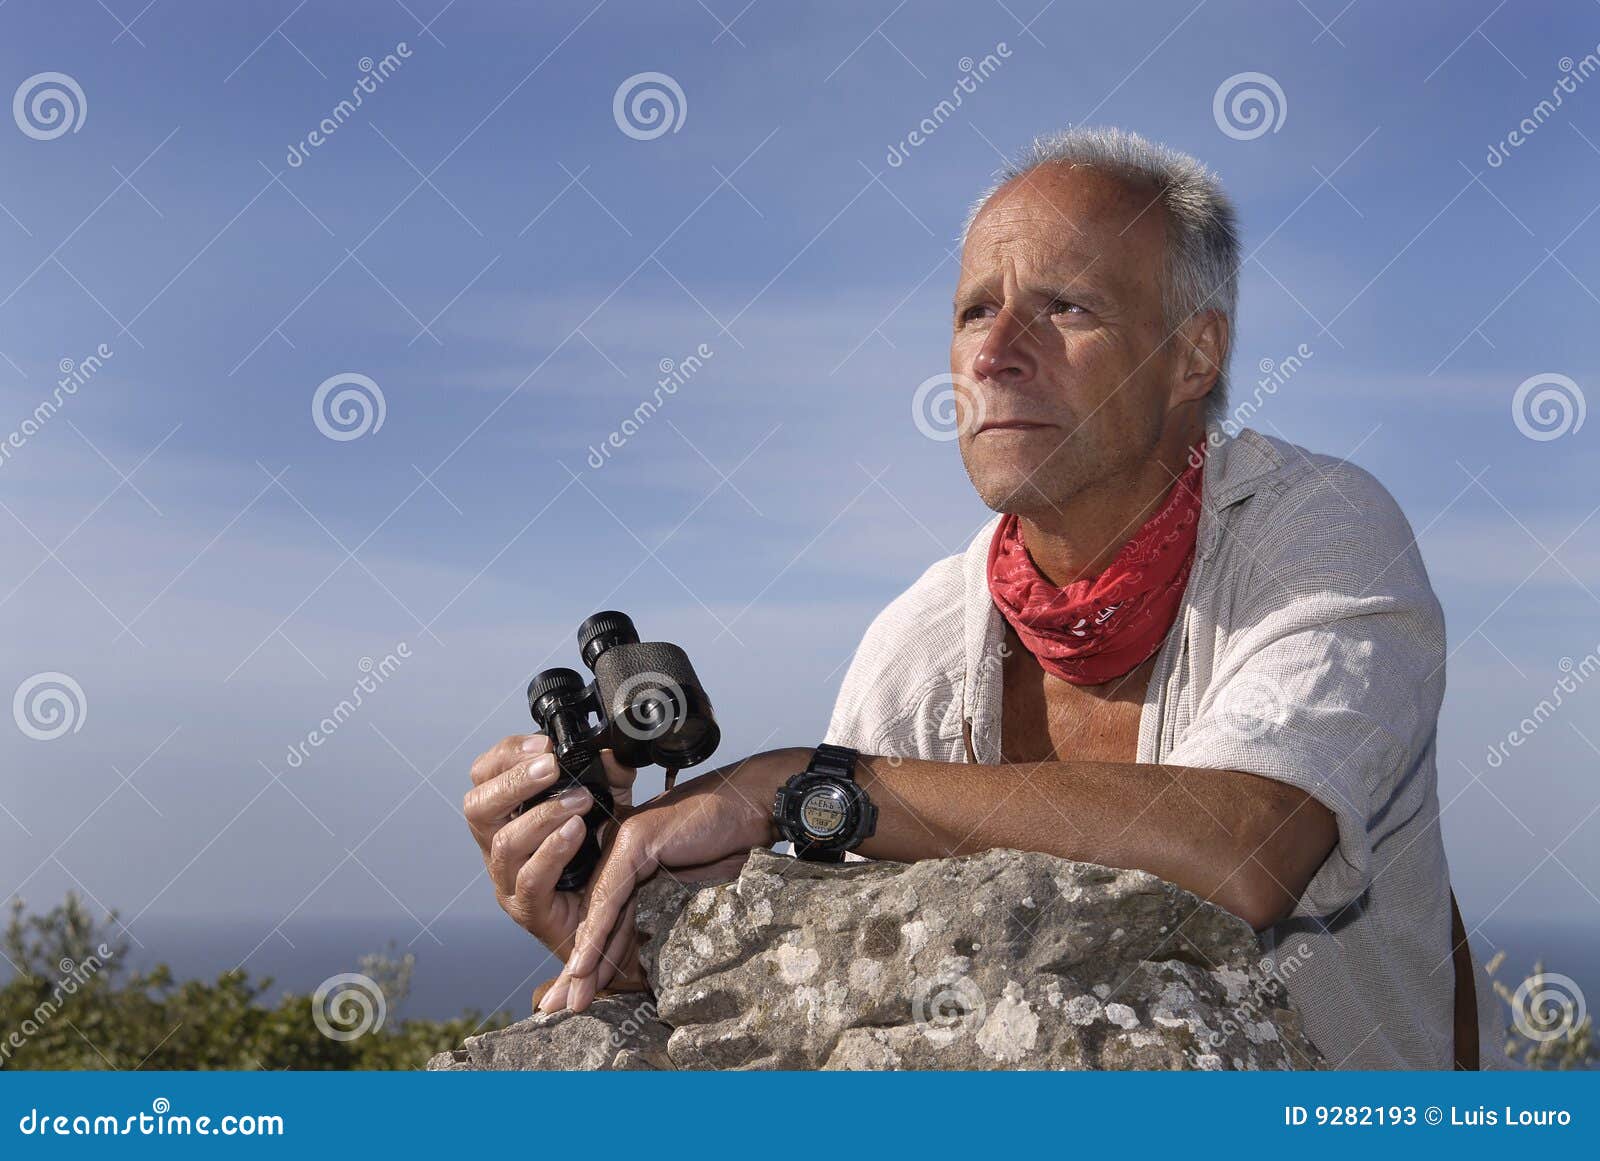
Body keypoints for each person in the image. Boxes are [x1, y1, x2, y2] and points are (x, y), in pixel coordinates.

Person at [462, 127, 1502, 1069]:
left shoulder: (1314, 533)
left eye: (1065, 306)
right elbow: (833, 986)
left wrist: (806, 785)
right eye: (972, 313)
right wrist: (620, 919)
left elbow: (1249, 847)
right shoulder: (917, 646)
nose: (996, 355)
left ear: (1194, 355)